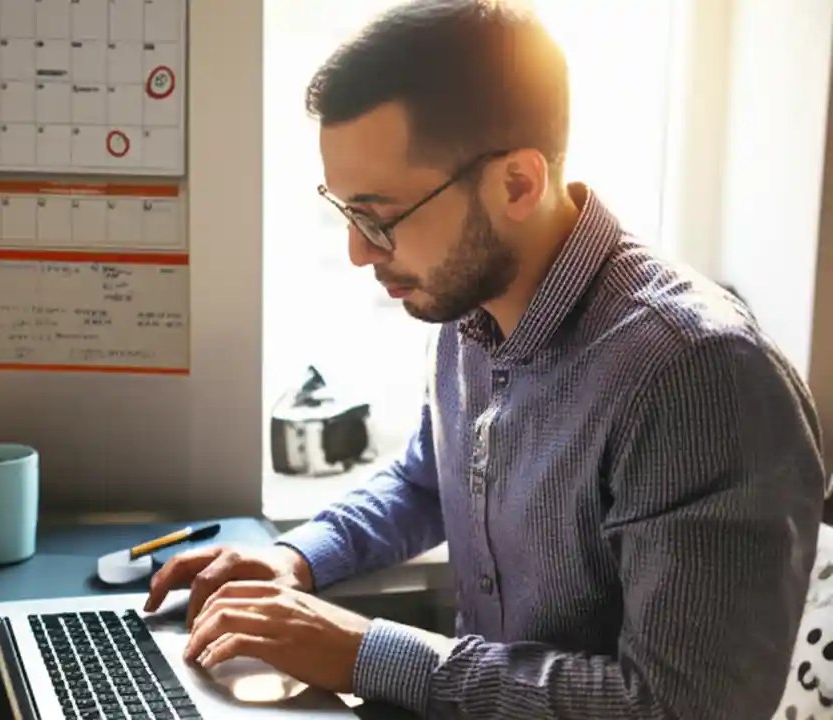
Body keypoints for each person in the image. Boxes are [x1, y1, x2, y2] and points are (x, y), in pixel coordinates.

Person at [144, 1, 830, 717]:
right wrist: (300, 556)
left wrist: (362, 652)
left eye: (380, 217)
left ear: (517, 185)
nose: (358, 252)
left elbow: (676, 707)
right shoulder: (471, 305)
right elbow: (429, 482)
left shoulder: (698, 376)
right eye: (347, 214)